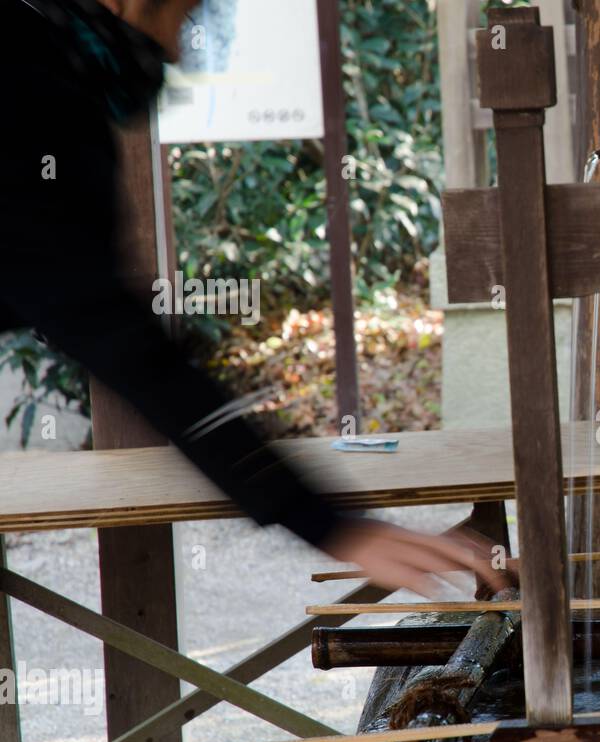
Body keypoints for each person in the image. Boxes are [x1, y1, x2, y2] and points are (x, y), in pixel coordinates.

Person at [1, 0, 502, 598]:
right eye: (180, 19)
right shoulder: (34, 92)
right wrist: (331, 525)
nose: (180, 52)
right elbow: (123, 342)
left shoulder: (36, 62)